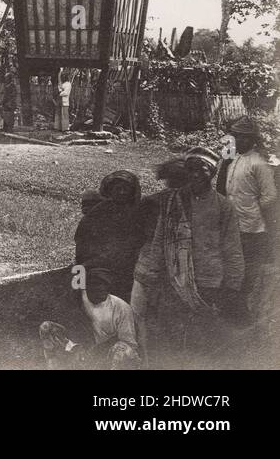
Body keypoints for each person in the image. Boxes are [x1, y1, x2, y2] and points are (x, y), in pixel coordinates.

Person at [132, 148, 244, 367]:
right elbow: (160, 238)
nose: (196, 175)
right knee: (169, 335)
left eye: (202, 170)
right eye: (191, 169)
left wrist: (232, 286)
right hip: (174, 280)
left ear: (211, 174)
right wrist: (151, 274)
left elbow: (233, 249)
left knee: (201, 339)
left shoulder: (223, 206)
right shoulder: (173, 202)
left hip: (208, 282)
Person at [218, 117, 277, 320]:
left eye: (244, 137)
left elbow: (270, 195)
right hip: (233, 224)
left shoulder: (258, 163)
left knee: (248, 271)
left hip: (252, 227)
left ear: (252, 139)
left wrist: (252, 209)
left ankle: (245, 312)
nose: (239, 141)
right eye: (237, 137)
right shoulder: (233, 159)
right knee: (232, 266)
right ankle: (231, 307)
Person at [39, 267, 139, 368]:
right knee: (46, 327)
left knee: (123, 350)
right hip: (82, 346)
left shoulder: (121, 308)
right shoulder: (79, 298)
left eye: (105, 289)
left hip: (104, 352)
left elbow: (129, 342)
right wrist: (75, 346)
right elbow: (68, 324)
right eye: (97, 290)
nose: (102, 293)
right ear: (87, 288)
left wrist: (97, 351)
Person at [75, 170, 144, 301]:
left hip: (129, 269)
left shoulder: (140, 214)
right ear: (109, 190)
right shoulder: (97, 213)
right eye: (118, 188)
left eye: (126, 189)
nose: (122, 192)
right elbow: (81, 247)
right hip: (99, 268)